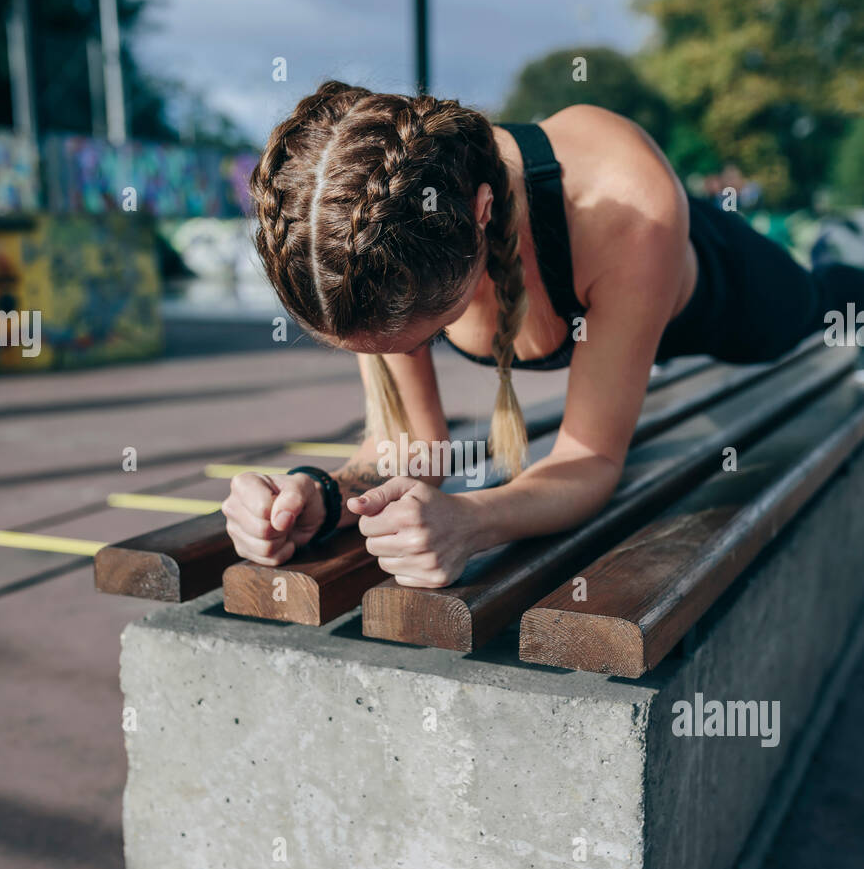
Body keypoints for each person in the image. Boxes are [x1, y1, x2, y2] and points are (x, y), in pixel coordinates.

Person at [221, 80, 861, 588]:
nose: (406, 357)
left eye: (424, 338)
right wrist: (319, 496)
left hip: (724, 293)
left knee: (820, 305)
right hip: (617, 299)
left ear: (481, 216)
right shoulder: (366, 243)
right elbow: (410, 445)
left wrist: (474, 521)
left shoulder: (627, 202)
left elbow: (591, 461)